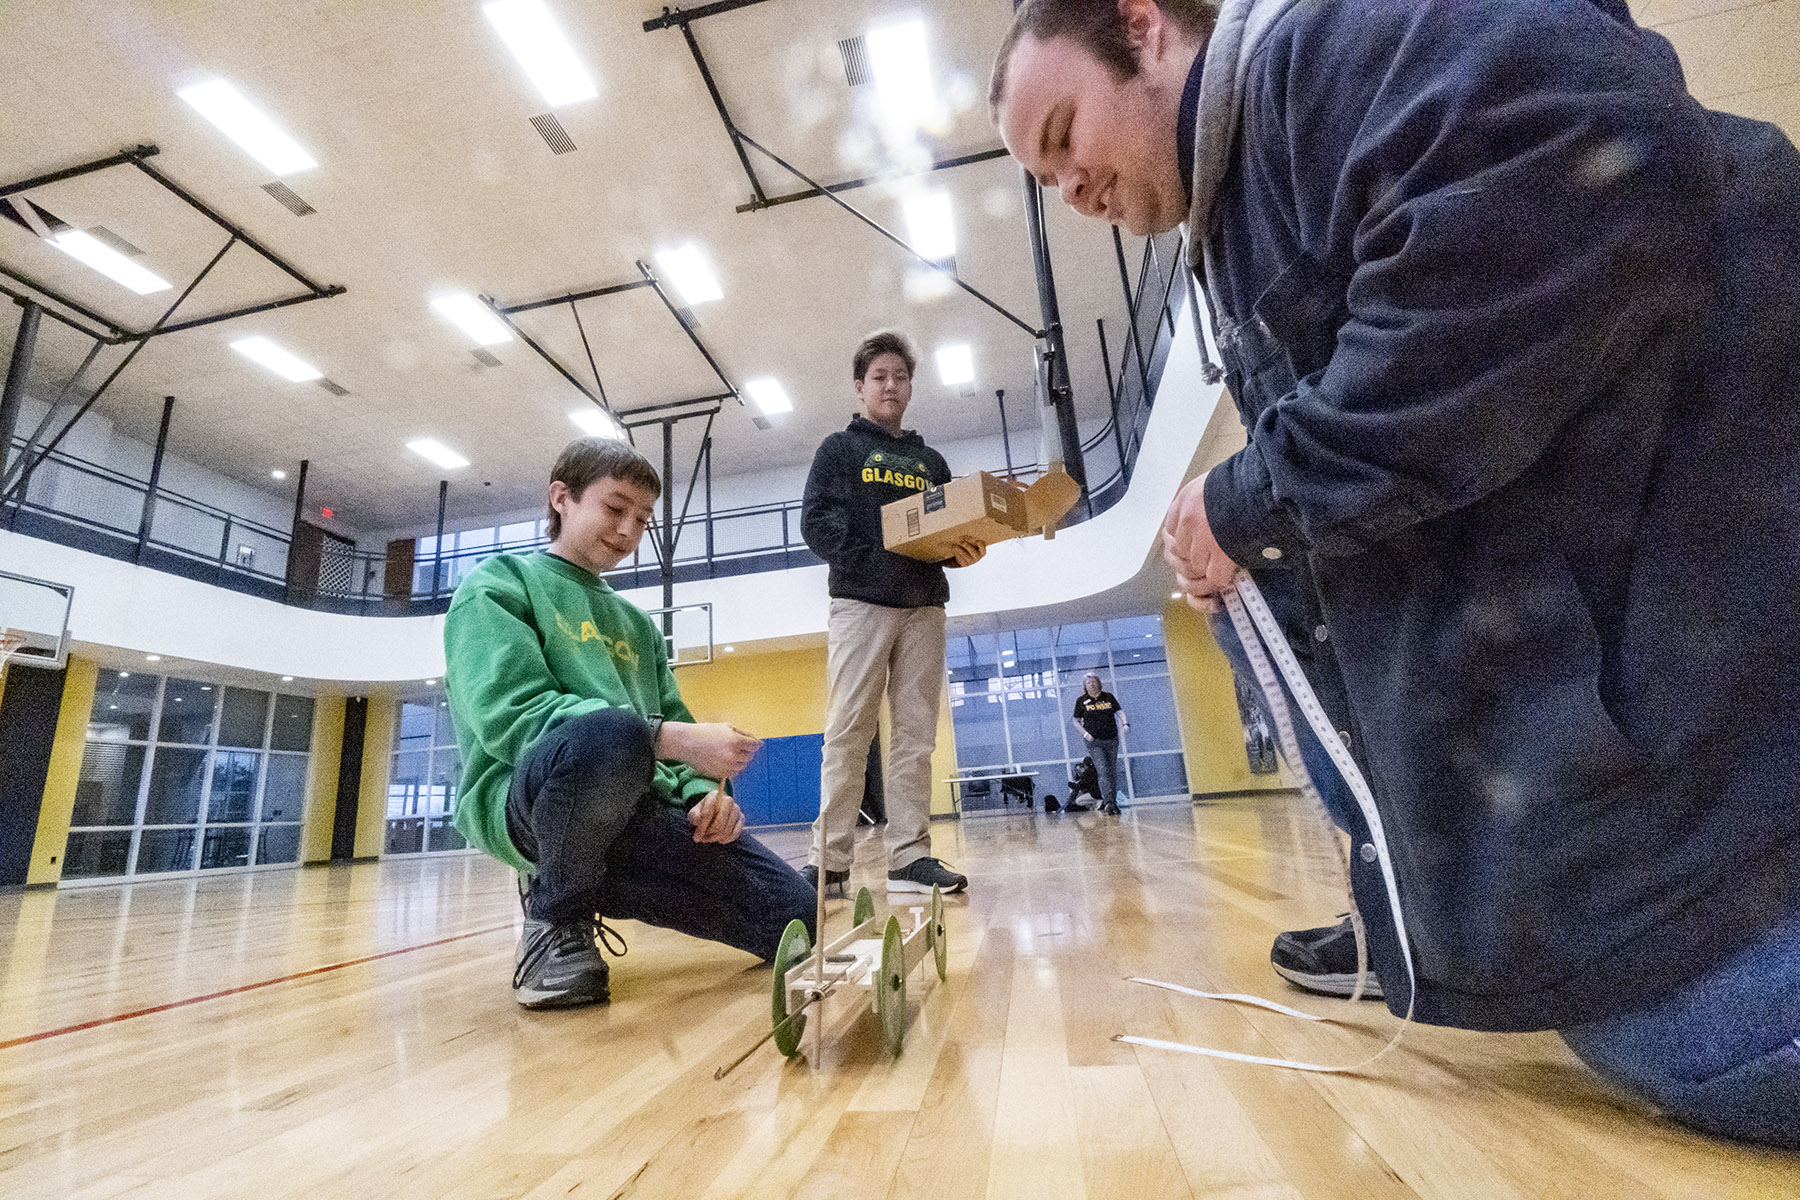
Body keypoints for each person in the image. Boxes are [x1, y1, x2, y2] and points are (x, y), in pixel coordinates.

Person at [990, 0, 1800, 1147]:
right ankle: (1396, 915)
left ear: (1143, 26)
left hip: (1688, 648)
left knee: (1695, 1034)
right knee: (1257, 586)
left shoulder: (1334, 42)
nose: (1068, 188)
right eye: (1044, 175)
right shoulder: (1245, 197)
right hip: (1607, 665)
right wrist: (1249, 526)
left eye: (1065, 132)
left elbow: (1584, 150)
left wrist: (1252, 498)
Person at [444, 437, 815, 1009]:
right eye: (615, 509)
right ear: (561, 498)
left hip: (634, 810)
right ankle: (555, 918)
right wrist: (668, 740)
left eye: (642, 520)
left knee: (797, 914)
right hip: (535, 800)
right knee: (611, 734)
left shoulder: (638, 627)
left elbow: (675, 725)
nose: (627, 531)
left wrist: (703, 796)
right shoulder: (498, 586)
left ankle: (585, 874)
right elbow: (514, 718)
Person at [801, 330, 984, 896]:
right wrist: (875, 560)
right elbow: (816, 524)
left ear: (910, 388)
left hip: (924, 608)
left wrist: (964, 550)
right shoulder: (839, 450)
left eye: (899, 377)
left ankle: (909, 858)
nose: (890, 385)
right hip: (859, 605)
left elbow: (950, 529)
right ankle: (829, 861)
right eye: (879, 377)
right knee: (849, 731)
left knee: (915, 737)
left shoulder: (931, 461)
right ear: (860, 388)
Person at [1070, 673, 1126, 814]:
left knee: (1112, 771)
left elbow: (1119, 711)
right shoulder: (1081, 701)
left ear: (1098, 683)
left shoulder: (1108, 697)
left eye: (1094, 682)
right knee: (1103, 771)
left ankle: (1111, 802)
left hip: (1111, 739)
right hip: (1094, 741)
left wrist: (1125, 723)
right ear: (1085, 686)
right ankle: (1109, 803)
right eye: (1088, 683)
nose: (1092, 684)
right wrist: (1085, 734)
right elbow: (1075, 721)